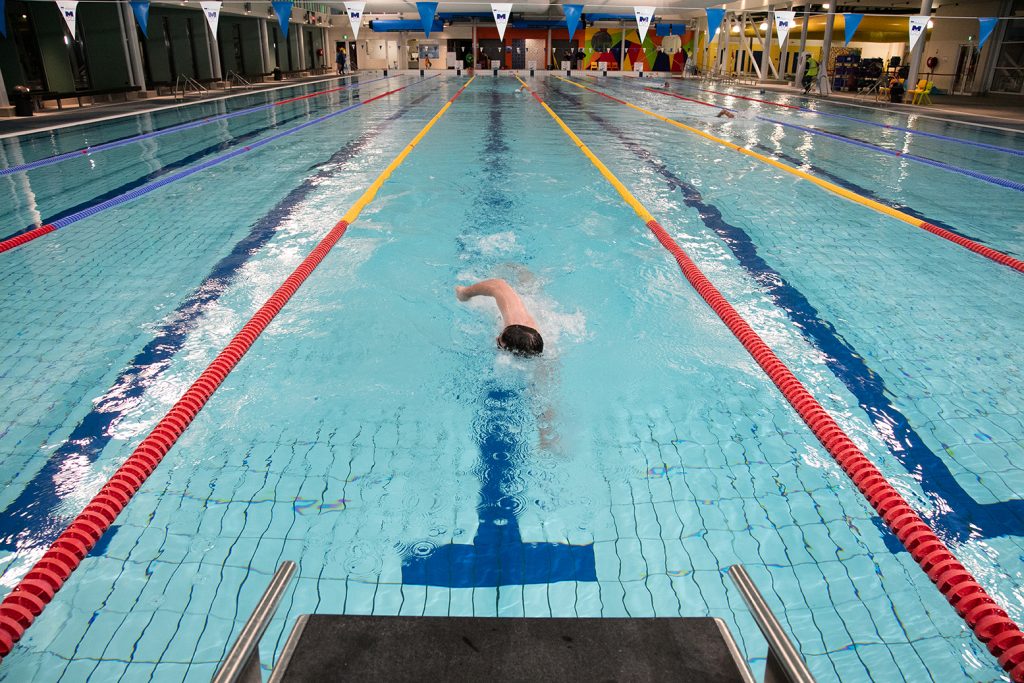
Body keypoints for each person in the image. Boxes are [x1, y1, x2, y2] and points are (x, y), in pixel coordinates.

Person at [456, 279, 543, 356]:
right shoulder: (513, 319)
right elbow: (498, 285)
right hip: (519, 285)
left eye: (499, 344)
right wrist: (465, 292)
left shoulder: (536, 347)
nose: (496, 338)